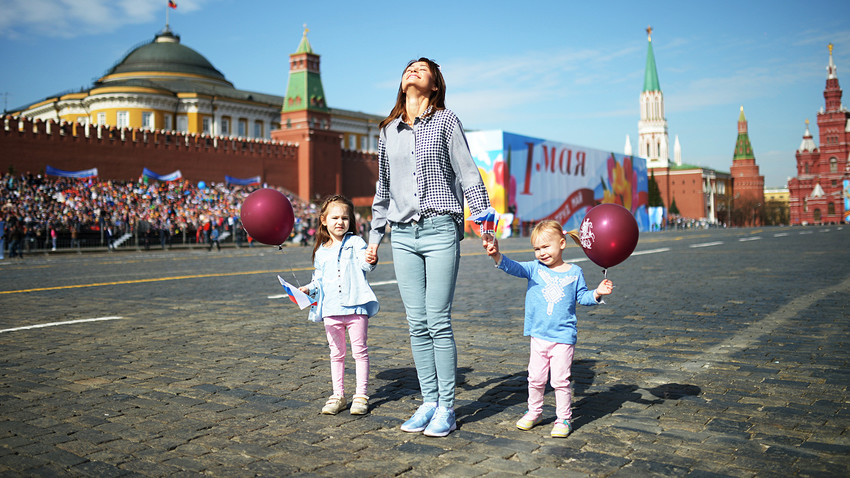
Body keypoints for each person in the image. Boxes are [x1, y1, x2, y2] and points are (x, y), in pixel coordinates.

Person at [365, 58, 492, 437]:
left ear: (435, 84)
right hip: (402, 235)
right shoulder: (388, 130)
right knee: (417, 324)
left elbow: (469, 173)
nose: (413, 70)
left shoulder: (447, 120)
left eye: (423, 68)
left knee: (437, 320)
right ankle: (429, 401)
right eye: (409, 67)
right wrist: (375, 239)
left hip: (440, 230)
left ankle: (447, 409)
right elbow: (382, 189)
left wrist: (485, 223)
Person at [483, 220, 613, 438]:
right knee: (535, 378)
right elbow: (513, 266)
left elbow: (582, 297)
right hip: (538, 336)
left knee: (560, 381)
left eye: (546, 247)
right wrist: (497, 255)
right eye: (537, 249)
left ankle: (563, 418)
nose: (541, 253)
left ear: (562, 244)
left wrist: (598, 292)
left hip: (563, 337)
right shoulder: (534, 269)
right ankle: (534, 412)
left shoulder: (575, 272)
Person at [300, 195, 379, 416]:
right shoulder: (321, 251)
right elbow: (318, 280)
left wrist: (371, 258)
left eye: (345, 218)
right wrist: (307, 289)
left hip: (356, 309)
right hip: (331, 310)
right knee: (336, 354)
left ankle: (361, 395)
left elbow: (365, 264)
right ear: (324, 220)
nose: (340, 222)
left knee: (360, 353)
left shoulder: (356, 242)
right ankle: (338, 395)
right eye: (335, 217)